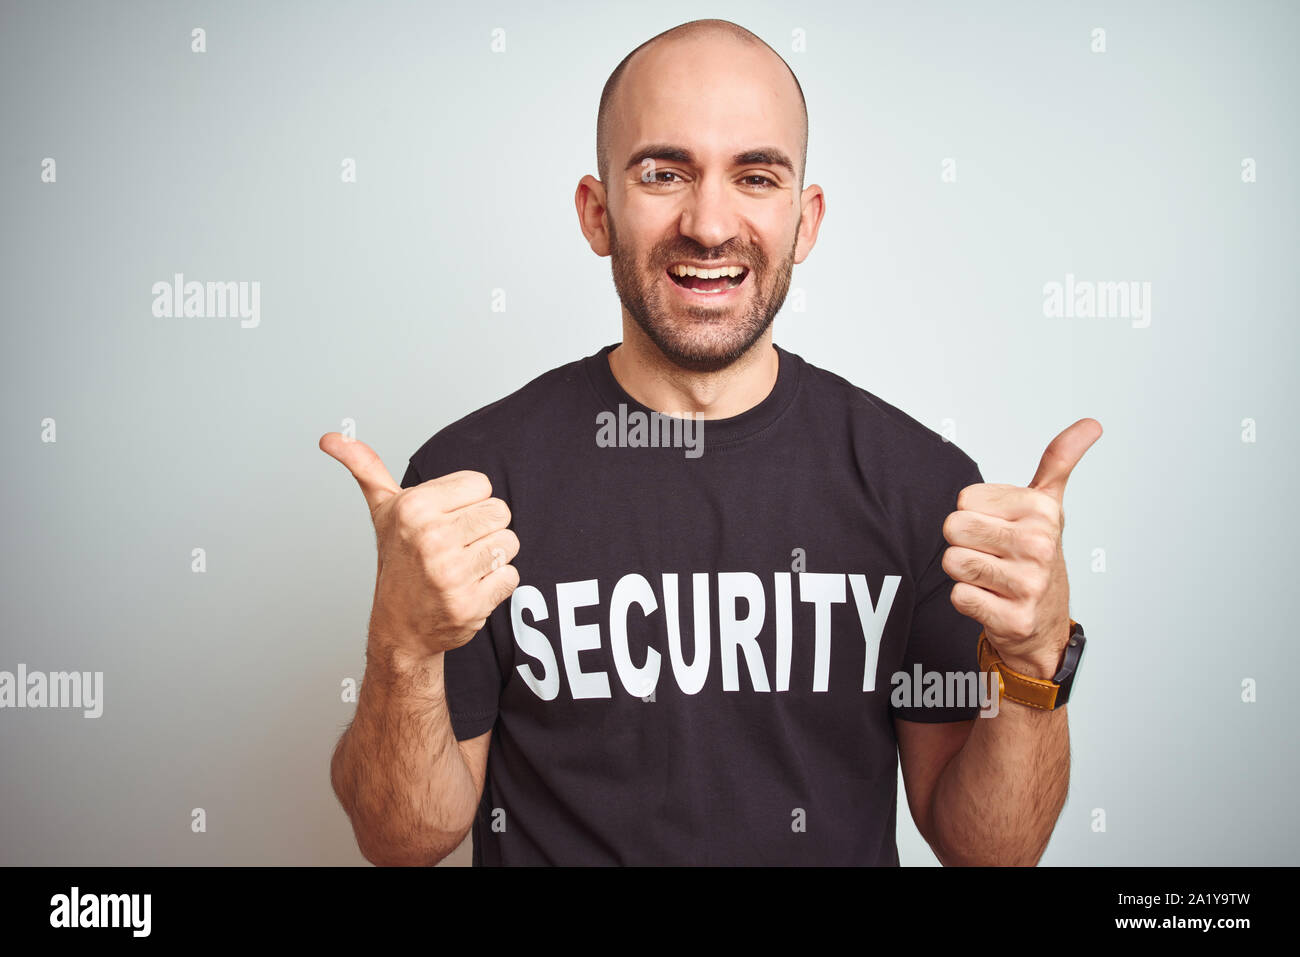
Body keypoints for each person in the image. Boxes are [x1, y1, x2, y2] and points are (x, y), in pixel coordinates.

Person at [321, 18, 1101, 866]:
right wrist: (399, 648)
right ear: (597, 212)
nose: (709, 223)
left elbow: (990, 850)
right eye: (664, 172)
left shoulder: (924, 488)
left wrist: (1035, 665)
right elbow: (402, 841)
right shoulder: (468, 488)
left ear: (805, 222)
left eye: (756, 176)